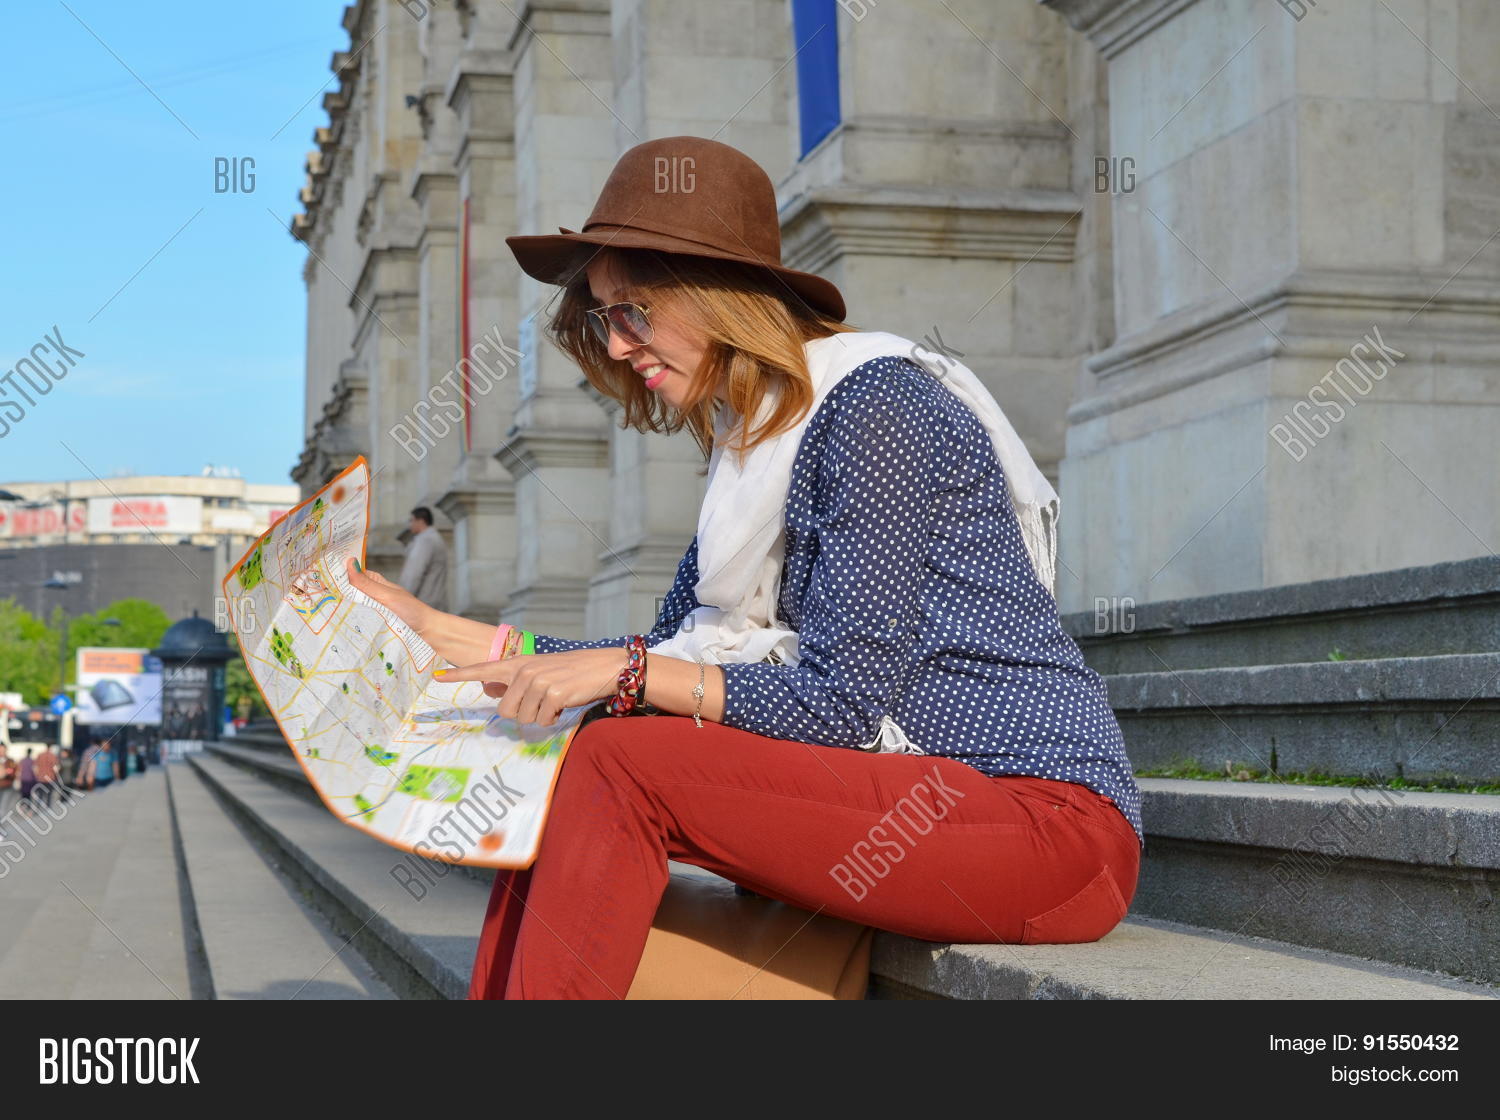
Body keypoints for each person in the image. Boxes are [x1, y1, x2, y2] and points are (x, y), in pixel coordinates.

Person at [346, 136, 1143, 1001]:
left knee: (618, 759)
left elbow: (838, 705)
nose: (617, 347)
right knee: (588, 743)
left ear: (716, 295)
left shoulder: (877, 408)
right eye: (605, 318)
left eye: (633, 311)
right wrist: (435, 631)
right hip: (912, 793)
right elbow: (656, 656)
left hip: (1039, 823)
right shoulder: (754, 453)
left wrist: (630, 673)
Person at [398, 507, 449, 613]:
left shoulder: (426, 540)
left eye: (411, 520)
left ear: (421, 521)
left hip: (423, 604)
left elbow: (415, 573)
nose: (410, 524)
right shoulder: (434, 538)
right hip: (432, 602)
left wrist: (402, 599)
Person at [33, 743, 59, 808]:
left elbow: (35, 767)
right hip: (50, 777)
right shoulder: (53, 756)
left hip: (41, 777)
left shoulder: (40, 755)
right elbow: (56, 768)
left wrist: (37, 775)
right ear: (51, 748)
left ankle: (38, 807)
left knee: (40, 793)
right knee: (49, 793)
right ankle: (48, 806)